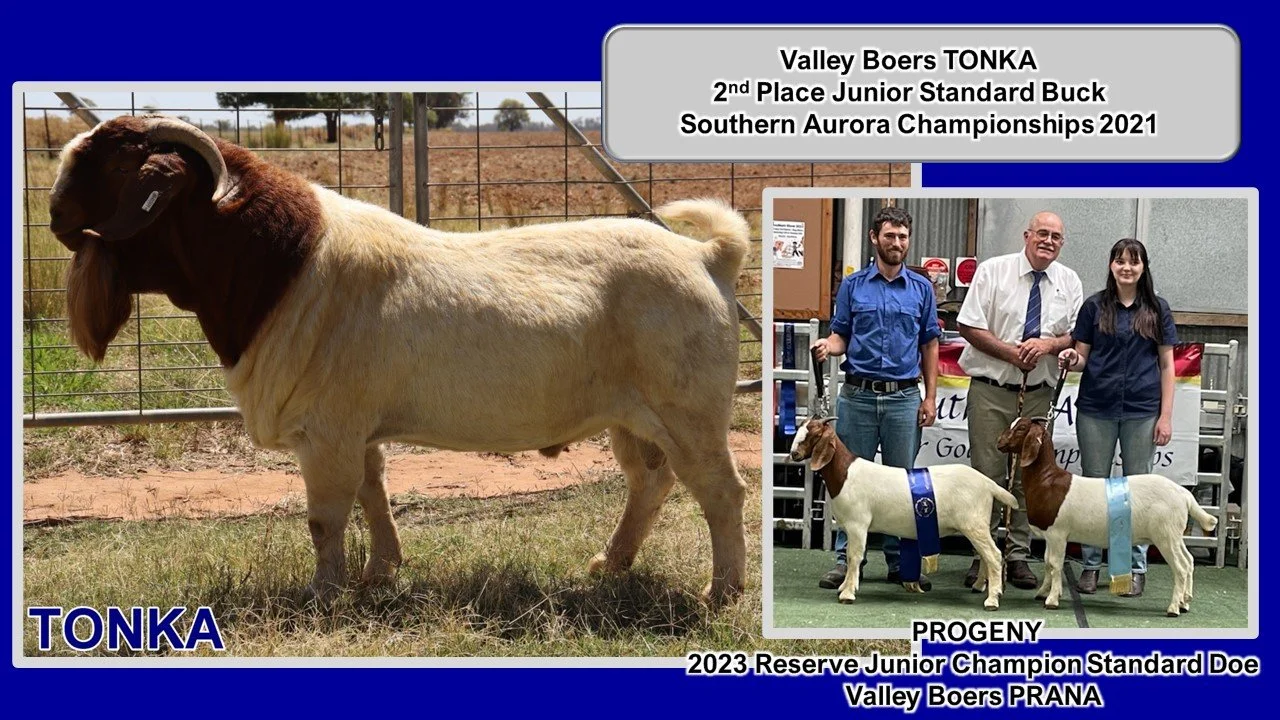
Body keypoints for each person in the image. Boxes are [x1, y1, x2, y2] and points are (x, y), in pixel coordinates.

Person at [811, 205, 941, 590]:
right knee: (848, 482)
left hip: (903, 399)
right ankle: (846, 560)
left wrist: (929, 397)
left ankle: (901, 563)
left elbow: (930, 344)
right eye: (890, 236)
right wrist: (828, 347)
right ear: (874, 238)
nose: (897, 243)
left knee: (904, 485)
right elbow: (841, 335)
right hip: (858, 397)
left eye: (902, 237)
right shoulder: (853, 286)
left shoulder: (921, 289)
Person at [956, 211, 1083, 590]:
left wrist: (1047, 344)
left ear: (1062, 243)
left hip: (1038, 396)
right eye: (1041, 233)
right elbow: (968, 323)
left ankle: (1018, 555)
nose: (1048, 240)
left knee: (1030, 477)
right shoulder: (993, 271)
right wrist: (1010, 354)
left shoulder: (1069, 281)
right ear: (1026, 235)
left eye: (1056, 236)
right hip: (992, 391)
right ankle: (985, 556)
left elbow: (1077, 333)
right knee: (987, 475)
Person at [1059, 238, 1177, 598]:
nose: (1127, 267)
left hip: (1142, 411)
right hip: (1096, 409)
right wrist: (1070, 359)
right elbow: (1081, 357)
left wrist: (1165, 416)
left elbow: (1167, 364)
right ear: (1111, 265)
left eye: (1134, 261)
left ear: (1144, 267)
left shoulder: (1158, 309)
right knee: (1095, 488)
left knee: (1136, 491)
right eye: (1120, 261)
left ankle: (1131, 568)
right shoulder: (1093, 307)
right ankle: (1091, 566)